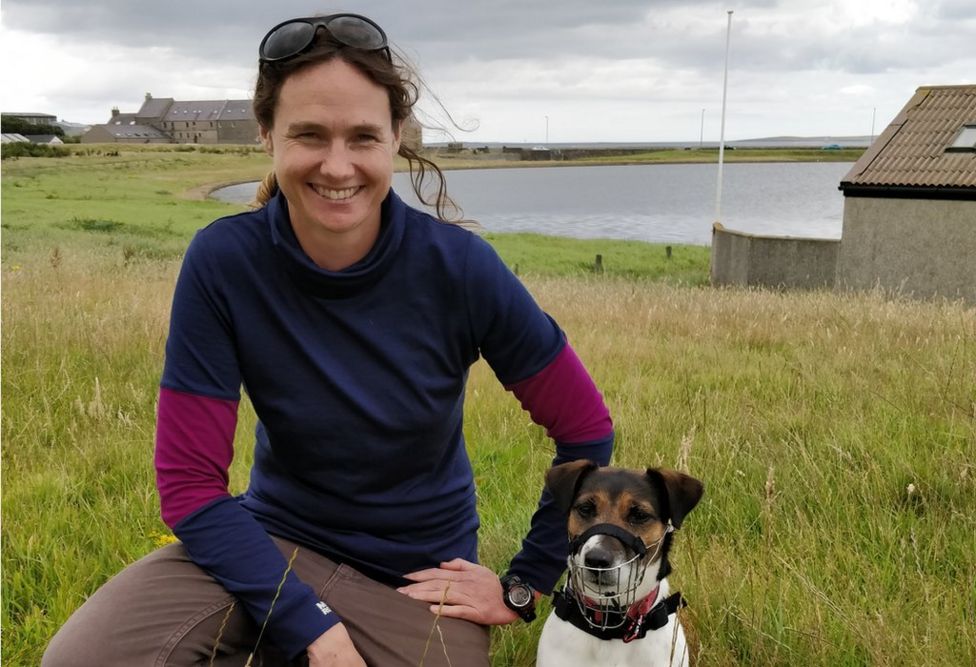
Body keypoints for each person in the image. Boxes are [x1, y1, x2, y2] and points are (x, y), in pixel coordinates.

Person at [43, 12, 613, 667]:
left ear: (396, 137)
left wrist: (525, 582)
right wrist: (308, 621)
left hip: (416, 579)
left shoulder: (459, 268)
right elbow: (190, 484)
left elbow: (585, 428)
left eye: (363, 137)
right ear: (267, 134)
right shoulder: (225, 261)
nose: (336, 165)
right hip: (268, 543)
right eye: (308, 134)